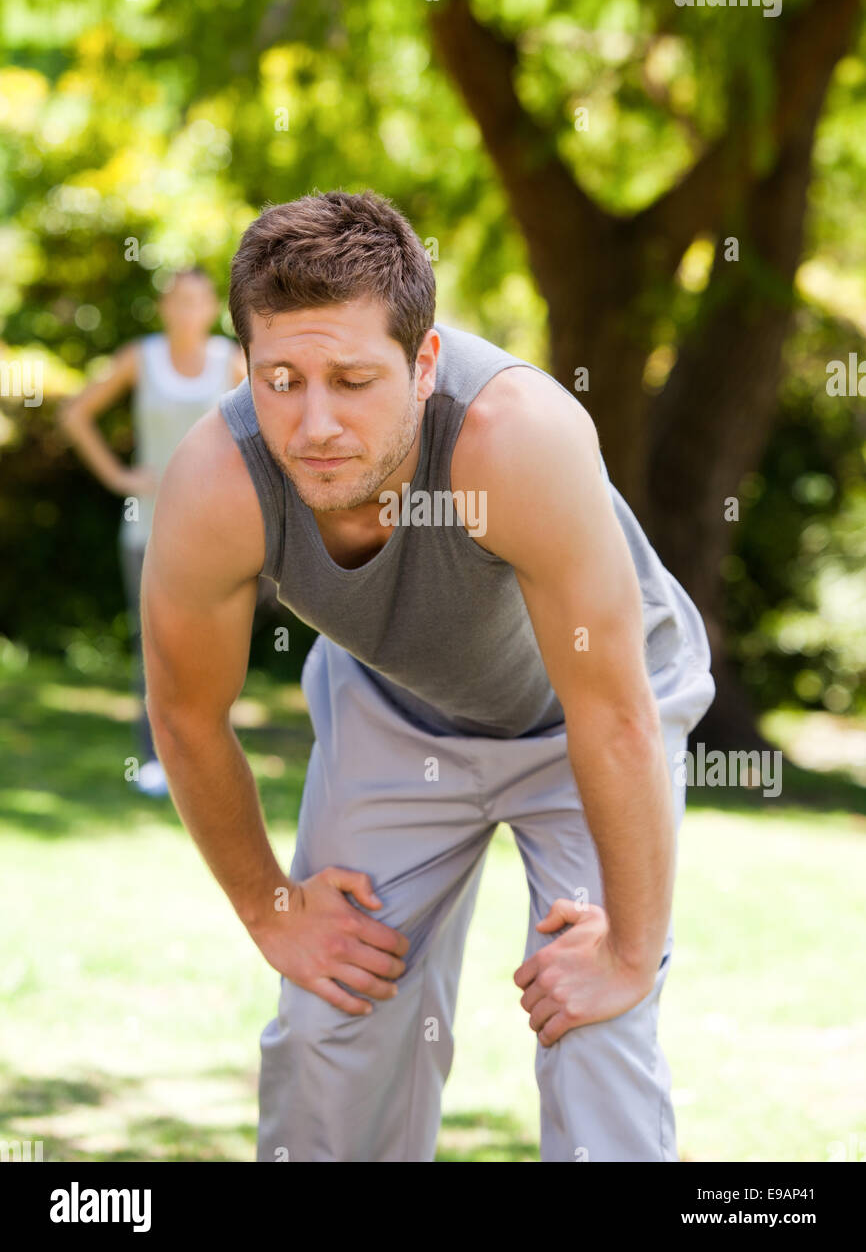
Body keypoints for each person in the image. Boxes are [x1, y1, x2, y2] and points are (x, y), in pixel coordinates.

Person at [141, 190, 716, 1162]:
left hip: (586, 720)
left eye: (353, 379)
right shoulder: (218, 481)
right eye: (280, 378)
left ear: (423, 363)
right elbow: (187, 715)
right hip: (391, 714)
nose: (313, 423)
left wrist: (626, 952)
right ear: (244, 367)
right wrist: (270, 908)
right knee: (334, 1020)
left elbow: (611, 712)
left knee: (594, 1026)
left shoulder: (514, 438)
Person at [58, 268, 246, 795]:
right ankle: (154, 759)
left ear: (212, 310)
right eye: (178, 301)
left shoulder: (230, 361)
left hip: (211, 528)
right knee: (154, 645)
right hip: (147, 524)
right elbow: (76, 414)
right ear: (164, 308)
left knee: (212, 645)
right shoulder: (141, 358)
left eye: (198, 301)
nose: (188, 310)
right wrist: (119, 476)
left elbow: (272, 423)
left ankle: (211, 758)